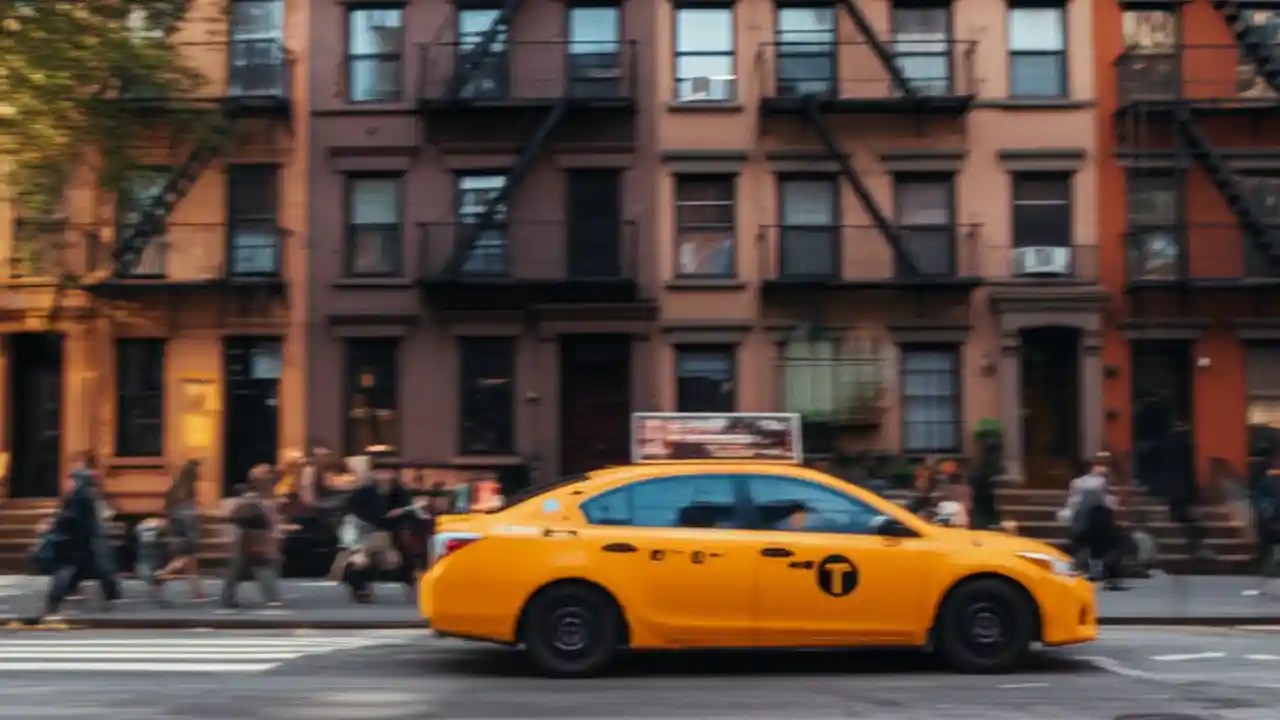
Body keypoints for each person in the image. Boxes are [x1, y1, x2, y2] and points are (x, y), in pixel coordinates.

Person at [40, 467, 122, 620]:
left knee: (66, 572)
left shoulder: (79, 497)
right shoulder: (90, 496)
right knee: (92, 570)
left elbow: (71, 518)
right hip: (87, 541)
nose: (68, 483)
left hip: (75, 541)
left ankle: (53, 604)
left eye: (71, 479)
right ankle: (112, 595)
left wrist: (53, 526)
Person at [334, 461, 414, 603]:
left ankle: (409, 587)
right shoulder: (362, 494)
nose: (385, 476)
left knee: (392, 556)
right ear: (372, 474)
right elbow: (357, 517)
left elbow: (406, 515)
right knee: (363, 559)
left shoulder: (400, 493)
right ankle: (360, 586)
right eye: (380, 472)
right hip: (361, 533)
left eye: (388, 472)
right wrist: (387, 515)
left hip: (389, 535)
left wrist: (401, 515)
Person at [220, 465, 285, 609]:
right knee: (259, 566)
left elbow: (233, 518)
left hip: (249, 537)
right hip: (252, 536)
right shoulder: (256, 497)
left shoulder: (259, 495)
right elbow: (266, 518)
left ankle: (227, 599)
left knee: (241, 568)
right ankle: (272, 598)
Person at [1058, 455, 1125, 590]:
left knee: (1087, 544)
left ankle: (1090, 570)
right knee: (1102, 545)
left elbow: (1073, 501)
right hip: (1096, 517)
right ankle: (1103, 572)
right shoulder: (1097, 483)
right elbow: (1104, 499)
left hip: (1085, 517)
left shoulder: (1078, 483)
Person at [153, 460, 205, 601]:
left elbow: (167, 510)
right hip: (186, 526)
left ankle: (197, 593)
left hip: (176, 525)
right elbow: (189, 513)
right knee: (186, 558)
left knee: (190, 562)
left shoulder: (173, 490)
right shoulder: (188, 491)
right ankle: (161, 574)